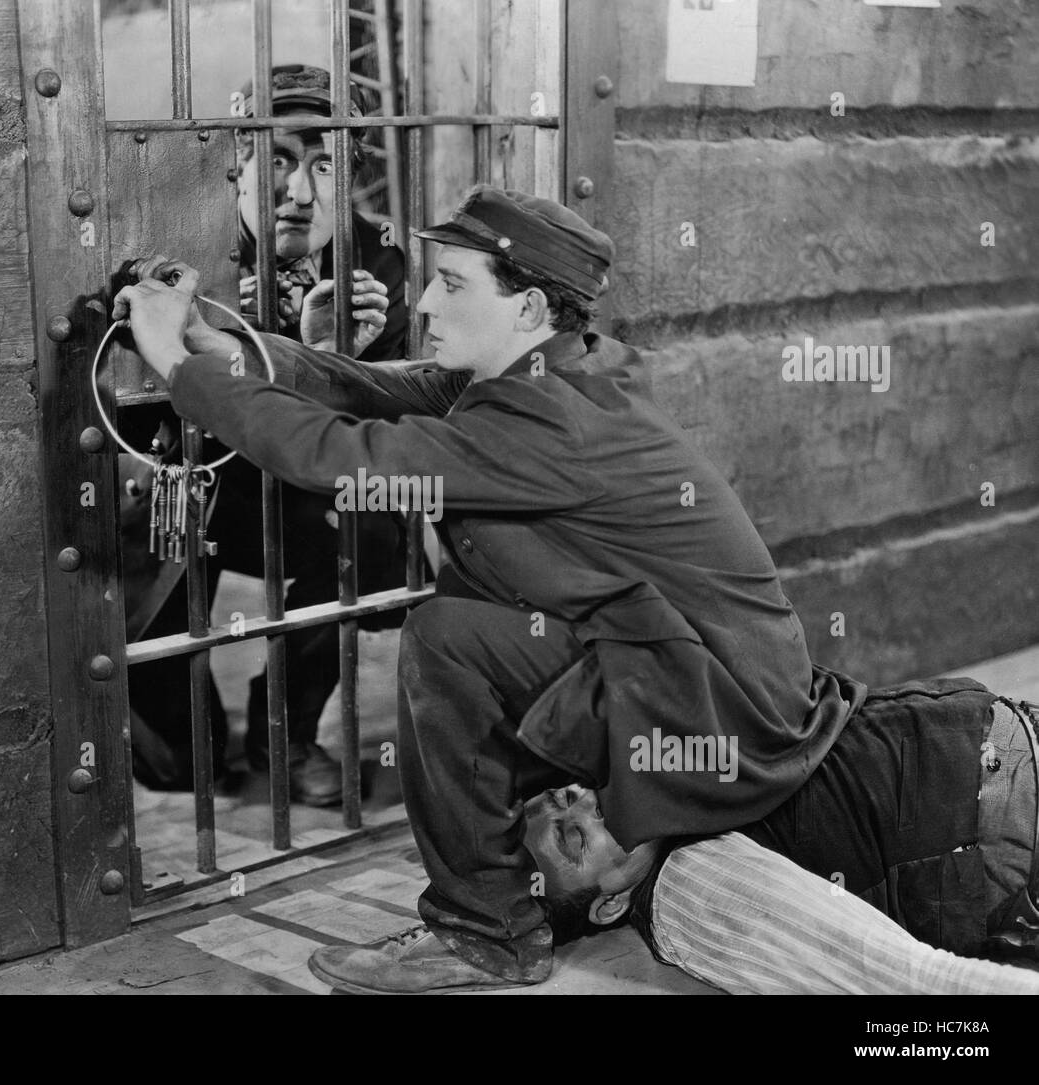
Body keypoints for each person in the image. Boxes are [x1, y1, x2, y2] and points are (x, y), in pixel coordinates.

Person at [113, 184, 861, 992]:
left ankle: (487, 932)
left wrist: (174, 366)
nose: (427, 301)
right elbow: (360, 387)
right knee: (478, 617)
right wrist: (213, 334)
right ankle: (512, 888)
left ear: (531, 306)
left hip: (723, 716)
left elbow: (341, 454)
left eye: (454, 284)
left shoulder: (548, 419)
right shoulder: (546, 371)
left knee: (450, 639)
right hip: (683, 672)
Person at [121, 64, 411, 806]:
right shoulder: (188, 246)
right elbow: (142, 401)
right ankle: (167, 712)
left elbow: (387, 424)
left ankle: (287, 724)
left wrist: (330, 360)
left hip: (295, 480)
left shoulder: (374, 257)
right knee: (183, 766)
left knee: (371, 518)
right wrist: (252, 343)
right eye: (277, 159)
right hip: (196, 482)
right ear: (236, 166)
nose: (300, 192)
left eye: (324, 164)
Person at [512, 683, 1039, 994]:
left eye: (565, 796)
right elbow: (903, 977)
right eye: (576, 839)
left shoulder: (656, 774)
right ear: (609, 906)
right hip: (1009, 806)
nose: (589, 804)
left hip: (1002, 753)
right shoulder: (688, 888)